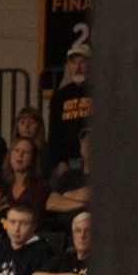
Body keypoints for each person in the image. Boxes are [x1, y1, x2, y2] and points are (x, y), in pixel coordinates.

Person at [47, 44, 92, 176]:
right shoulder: (59, 96)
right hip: (68, 163)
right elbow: (54, 133)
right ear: (68, 66)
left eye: (82, 62)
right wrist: (60, 162)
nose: (78, 68)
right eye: (73, 62)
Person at [3, 138, 50, 228]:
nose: (20, 155)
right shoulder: (3, 185)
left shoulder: (40, 186)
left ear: (33, 159)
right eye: (16, 150)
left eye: (26, 152)